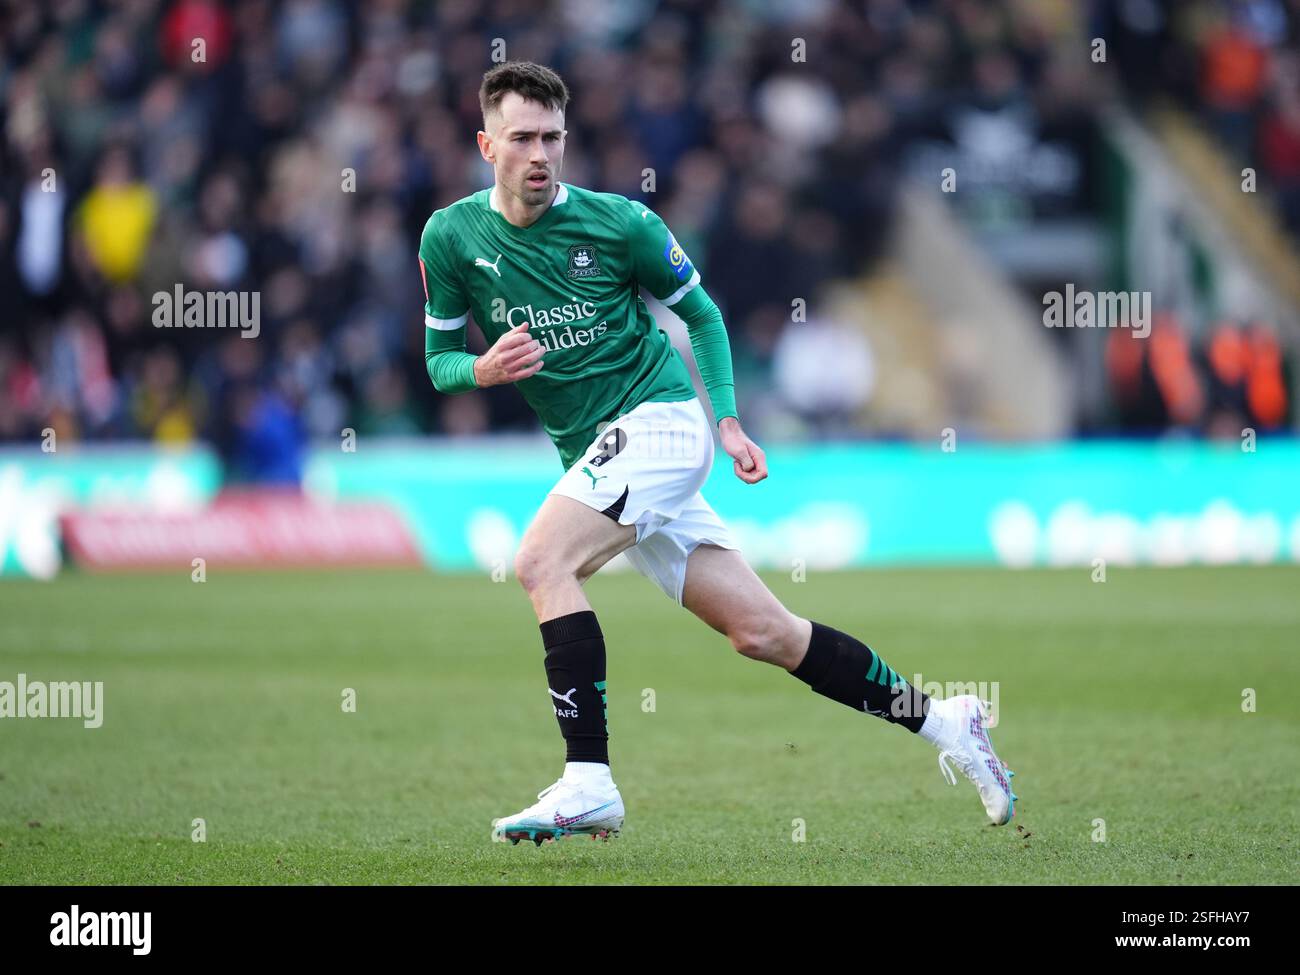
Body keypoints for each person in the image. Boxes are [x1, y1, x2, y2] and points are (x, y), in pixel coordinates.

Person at [419, 62, 1016, 845]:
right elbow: (439, 364)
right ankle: (947, 721)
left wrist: (728, 423)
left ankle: (588, 780)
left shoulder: (619, 224)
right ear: (485, 143)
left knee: (540, 562)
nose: (540, 153)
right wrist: (482, 368)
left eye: (553, 137)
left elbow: (702, 316)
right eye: (522, 137)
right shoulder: (450, 237)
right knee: (764, 633)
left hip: (663, 426)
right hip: (599, 452)